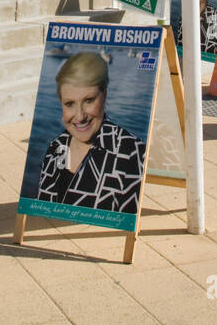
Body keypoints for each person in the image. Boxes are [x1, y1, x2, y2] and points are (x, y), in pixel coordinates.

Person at [36, 51, 144, 214]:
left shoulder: (130, 151)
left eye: (89, 100)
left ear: (104, 95)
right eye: (69, 104)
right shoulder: (55, 147)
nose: (79, 116)